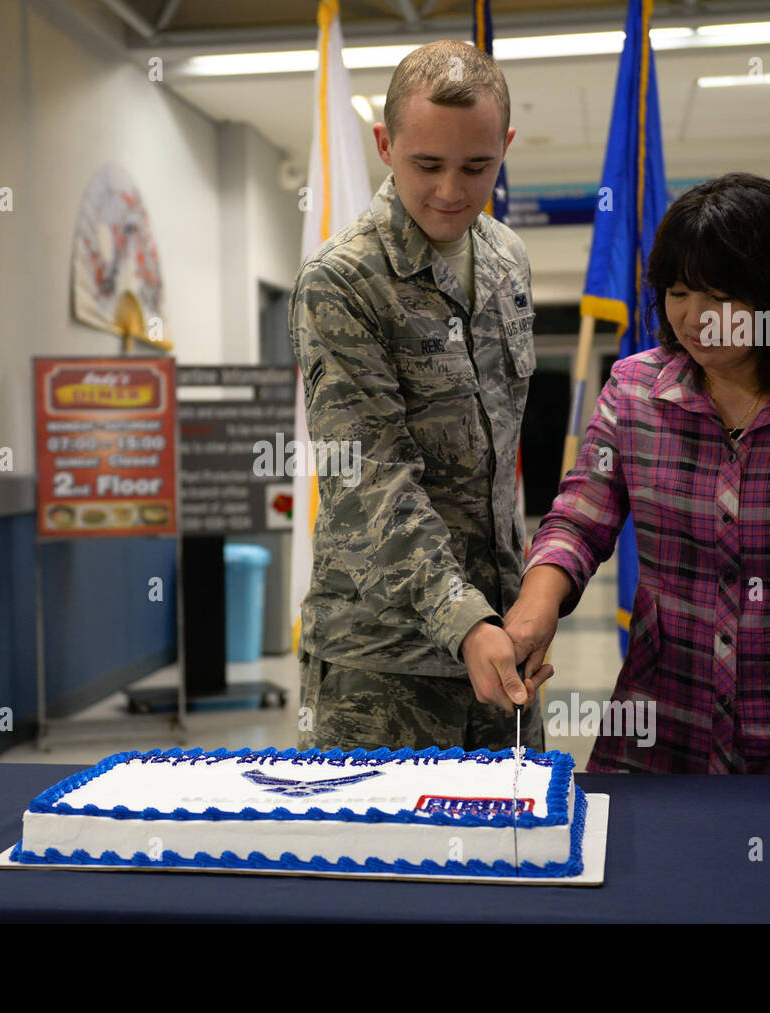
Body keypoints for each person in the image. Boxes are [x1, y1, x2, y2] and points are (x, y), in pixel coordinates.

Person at [505, 172, 770, 774]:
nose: (695, 317)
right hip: (659, 711)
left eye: (722, 296)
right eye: (678, 292)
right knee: (645, 864)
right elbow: (581, 516)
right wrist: (536, 603)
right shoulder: (634, 391)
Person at [290, 40, 549, 753]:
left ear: (506, 147)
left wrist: (511, 613)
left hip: (502, 647)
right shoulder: (342, 281)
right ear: (384, 144)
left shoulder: (507, 258)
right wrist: (463, 618)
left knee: (516, 854)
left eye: (478, 166)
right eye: (426, 165)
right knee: (377, 863)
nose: (451, 191)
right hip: (383, 669)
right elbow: (367, 477)